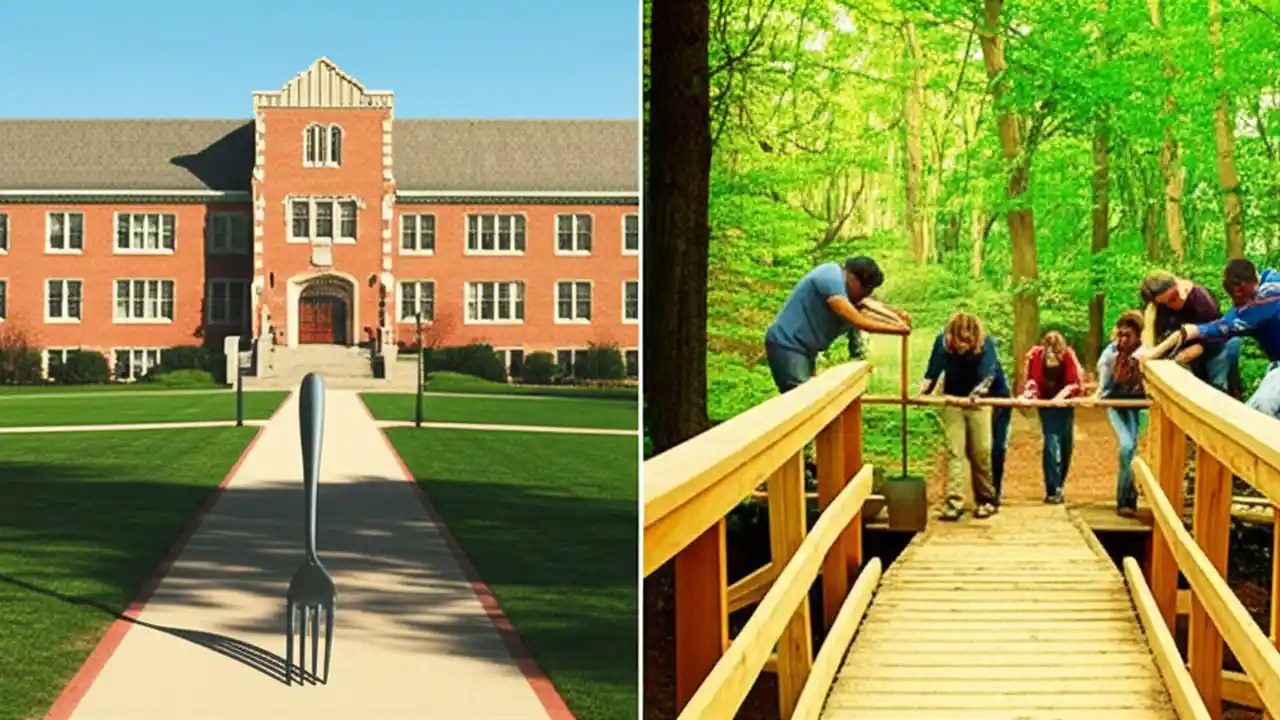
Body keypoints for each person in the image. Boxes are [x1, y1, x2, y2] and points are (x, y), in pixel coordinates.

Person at [764, 257, 911, 393]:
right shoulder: (830, 277)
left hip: (806, 350)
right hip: (787, 344)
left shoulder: (847, 292)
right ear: (853, 278)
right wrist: (897, 329)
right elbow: (859, 321)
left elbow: (866, 311)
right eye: (866, 289)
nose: (866, 295)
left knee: (811, 398)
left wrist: (896, 317)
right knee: (802, 400)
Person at [1172, 259, 1280, 419]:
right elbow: (1235, 315)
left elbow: (1231, 324)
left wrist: (1196, 330)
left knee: (1256, 414)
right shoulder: (1260, 289)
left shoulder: (1270, 294)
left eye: (1235, 293)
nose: (1235, 299)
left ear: (1241, 287)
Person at [919, 312, 1001, 520]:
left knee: (981, 451)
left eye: (967, 340)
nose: (963, 344)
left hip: (978, 402)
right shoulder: (942, 342)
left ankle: (986, 500)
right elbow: (932, 371)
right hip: (952, 399)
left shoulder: (986, 344)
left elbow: (989, 373)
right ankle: (954, 502)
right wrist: (923, 391)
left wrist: (978, 392)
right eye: (959, 340)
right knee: (955, 451)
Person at [1089, 311, 1152, 517]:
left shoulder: (1146, 354)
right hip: (1116, 405)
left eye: (1129, 335)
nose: (1123, 339)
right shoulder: (1109, 356)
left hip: (1137, 406)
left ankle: (1129, 500)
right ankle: (1124, 498)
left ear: (1138, 335)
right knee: (1126, 446)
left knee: (1132, 450)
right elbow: (1104, 386)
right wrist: (1097, 396)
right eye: (1121, 334)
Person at [1139, 271, 1241, 394]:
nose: (1175, 302)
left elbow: (1218, 329)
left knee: (1217, 388)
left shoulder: (1199, 298)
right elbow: (1154, 339)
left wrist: (1201, 346)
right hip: (1183, 356)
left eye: (1175, 296)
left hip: (1215, 348)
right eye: (1168, 301)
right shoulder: (1156, 310)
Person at [1019, 331, 1084, 504]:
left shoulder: (1069, 356)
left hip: (1065, 406)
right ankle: (1052, 489)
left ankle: (1059, 485)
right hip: (1046, 405)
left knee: (1066, 445)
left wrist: (1061, 398)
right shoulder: (1036, 357)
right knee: (1051, 442)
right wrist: (1028, 396)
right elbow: (1032, 382)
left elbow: (1074, 383)